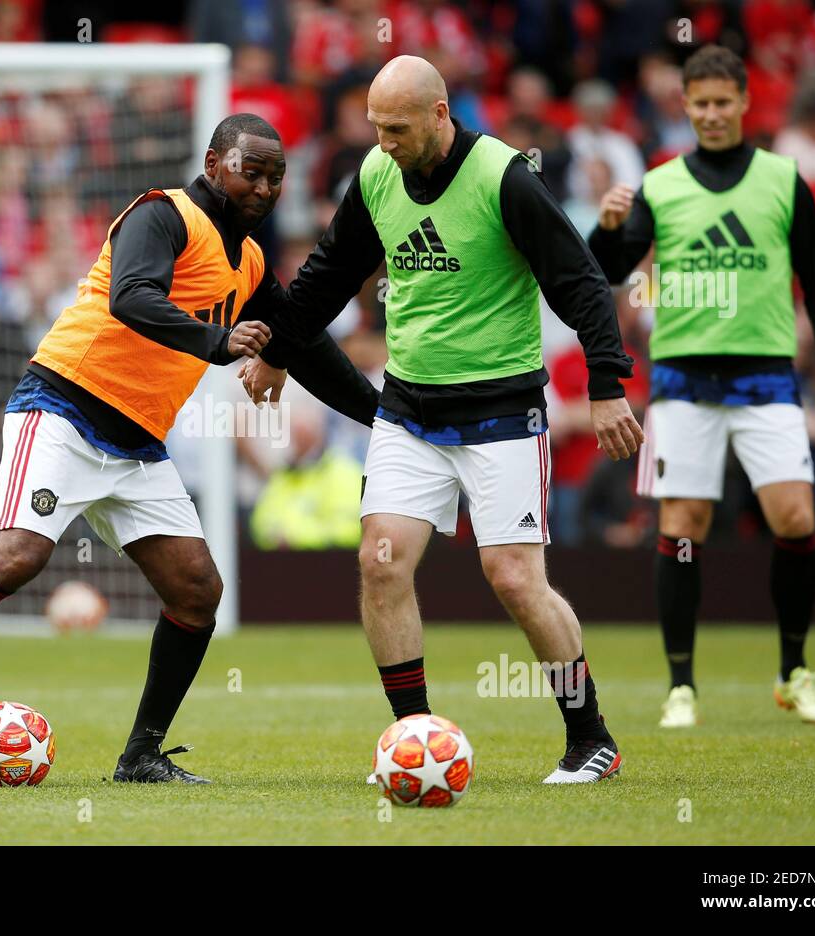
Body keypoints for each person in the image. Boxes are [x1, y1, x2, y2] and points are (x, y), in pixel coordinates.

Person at [0, 114, 378, 783]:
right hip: (63, 408)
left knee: (197, 592)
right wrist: (218, 343)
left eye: (277, 176)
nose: (266, 187)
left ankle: (141, 755)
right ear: (216, 161)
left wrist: (381, 413)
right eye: (253, 170)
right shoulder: (162, 215)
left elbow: (301, 343)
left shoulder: (247, 261)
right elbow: (134, 299)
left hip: (136, 444)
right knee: (20, 557)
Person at [242, 57, 643, 784]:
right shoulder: (375, 174)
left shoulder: (505, 178)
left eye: (396, 128)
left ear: (438, 114)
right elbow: (330, 273)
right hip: (409, 410)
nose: (384, 141)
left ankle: (591, 739)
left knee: (516, 580)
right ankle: (413, 739)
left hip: (502, 413)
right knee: (380, 561)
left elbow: (579, 279)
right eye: (375, 127)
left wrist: (610, 384)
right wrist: (276, 350)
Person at [588, 45, 815, 728]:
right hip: (682, 382)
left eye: (721, 102)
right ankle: (682, 684)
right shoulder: (660, 183)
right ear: (686, 105)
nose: (710, 114)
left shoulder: (783, 180)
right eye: (698, 103)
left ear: (743, 104)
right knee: (682, 526)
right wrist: (608, 227)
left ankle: (793, 671)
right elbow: (606, 271)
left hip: (767, 376)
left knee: (795, 518)